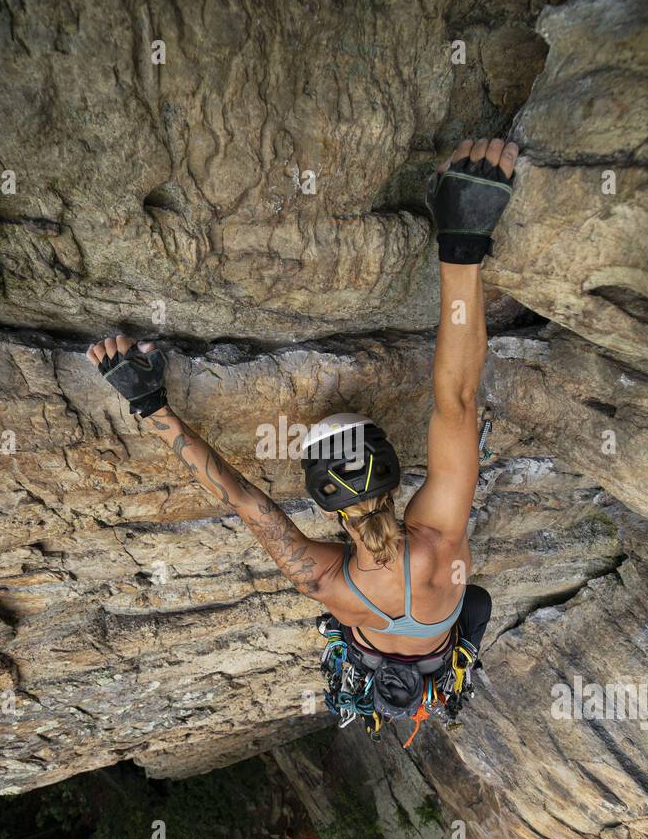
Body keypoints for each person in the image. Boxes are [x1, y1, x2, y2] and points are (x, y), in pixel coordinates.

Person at [86, 136, 517, 739]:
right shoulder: (326, 585)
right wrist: (149, 404)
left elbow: (459, 402)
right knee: (464, 606)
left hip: (432, 638)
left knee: (475, 604)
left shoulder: (444, 543)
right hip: (368, 631)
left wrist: (464, 236)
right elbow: (248, 503)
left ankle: (462, 238)